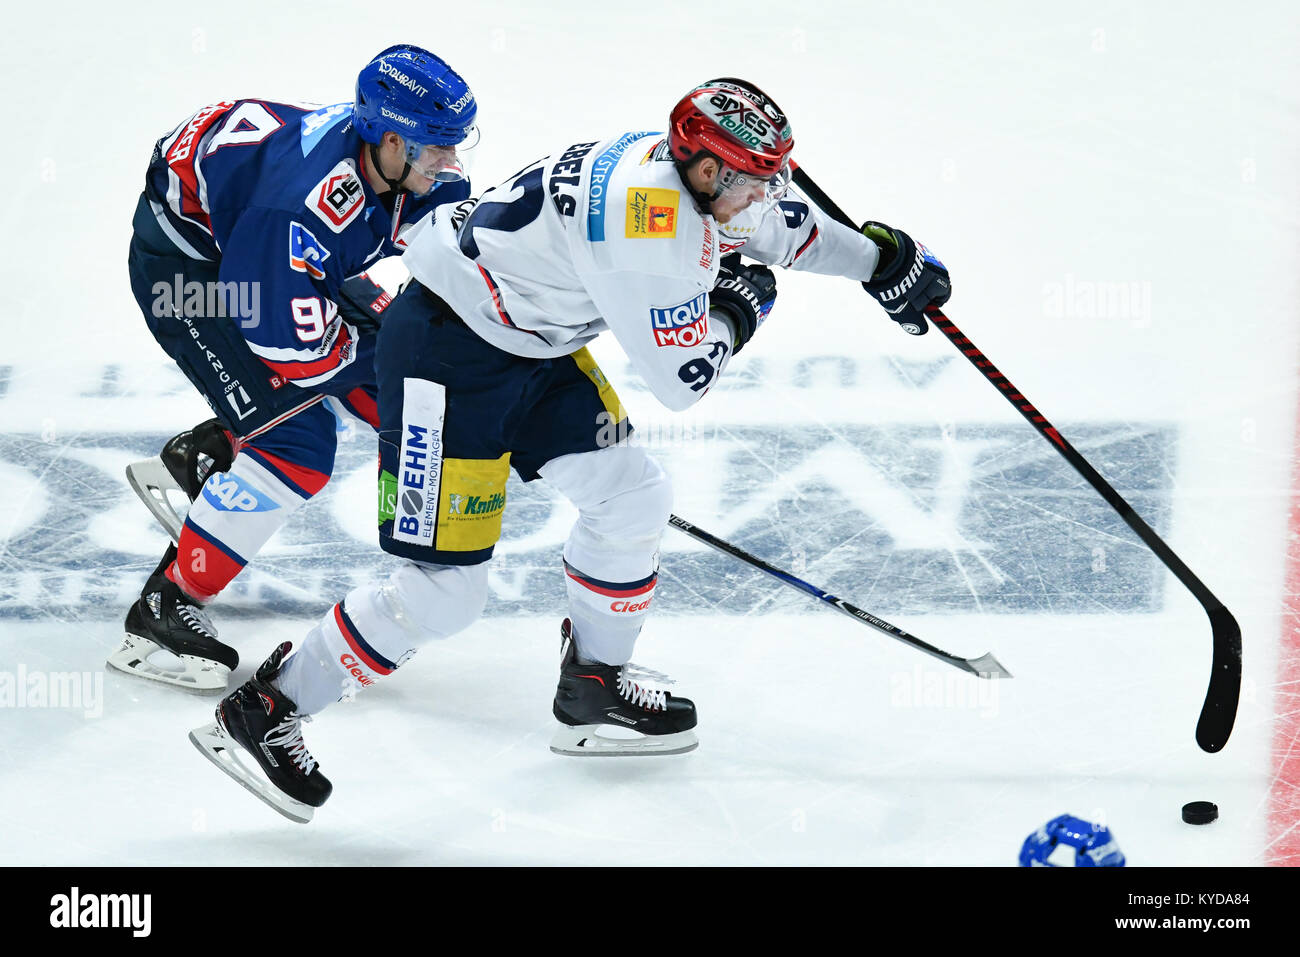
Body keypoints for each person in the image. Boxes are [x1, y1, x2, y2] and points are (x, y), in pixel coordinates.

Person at [190, 78, 952, 822]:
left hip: (528, 347)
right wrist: (737, 311)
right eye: (756, 177)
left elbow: (776, 225)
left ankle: (594, 686)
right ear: (709, 168)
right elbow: (683, 379)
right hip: (443, 359)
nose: (767, 192)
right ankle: (266, 708)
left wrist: (878, 262)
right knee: (443, 591)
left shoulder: (692, 180)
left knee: (631, 496)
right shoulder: (649, 230)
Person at [109, 45, 479, 695]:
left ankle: (208, 454)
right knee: (298, 444)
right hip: (193, 275)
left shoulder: (402, 170)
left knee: (395, 387)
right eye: (436, 148)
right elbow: (296, 355)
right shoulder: (297, 209)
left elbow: (447, 267)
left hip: (267, 252)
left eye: (455, 145)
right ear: (390, 141)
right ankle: (163, 605)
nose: (451, 166)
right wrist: (381, 358)